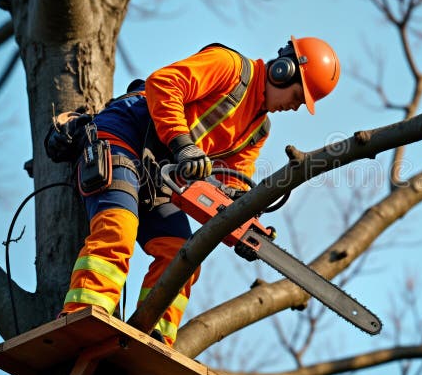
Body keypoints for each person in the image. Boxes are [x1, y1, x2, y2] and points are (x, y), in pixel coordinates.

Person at [54, 36, 340, 346]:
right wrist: (183, 145)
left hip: (162, 175)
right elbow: (163, 84)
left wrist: (241, 226)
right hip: (125, 137)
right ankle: (85, 311)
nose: (295, 107)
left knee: (181, 256)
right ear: (283, 71)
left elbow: (231, 188)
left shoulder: (258, 130)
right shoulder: (230, 67)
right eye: (298, 96)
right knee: (118, 227)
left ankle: (151, 336)